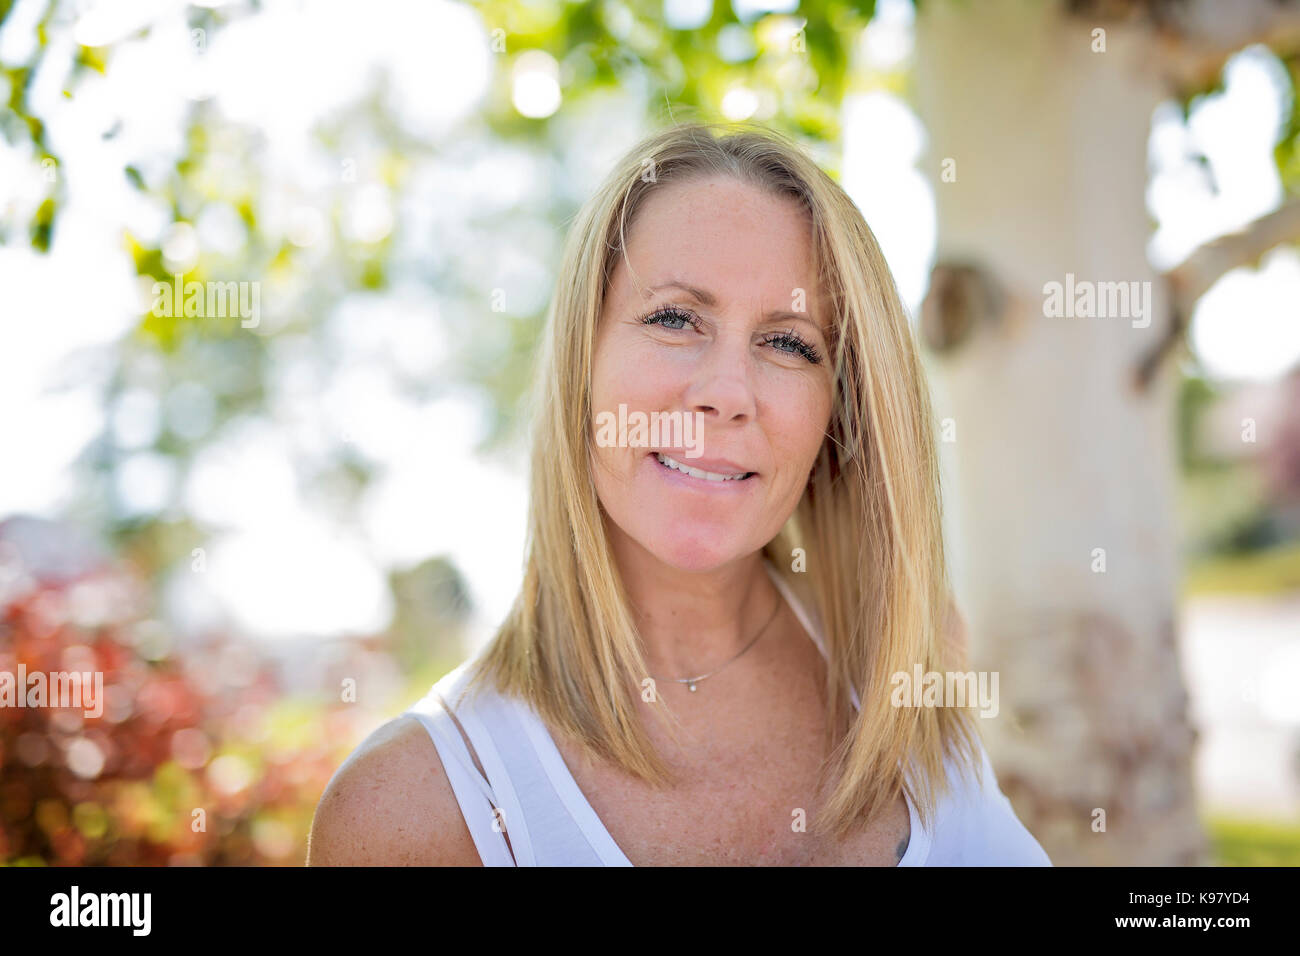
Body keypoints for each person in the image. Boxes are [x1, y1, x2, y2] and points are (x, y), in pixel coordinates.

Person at [307, 122, 1052, 866]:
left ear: (841, 408)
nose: (727, 393)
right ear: (582, 360)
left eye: (789, 342)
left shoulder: (905, 670)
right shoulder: (408, 810)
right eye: (673, 318)